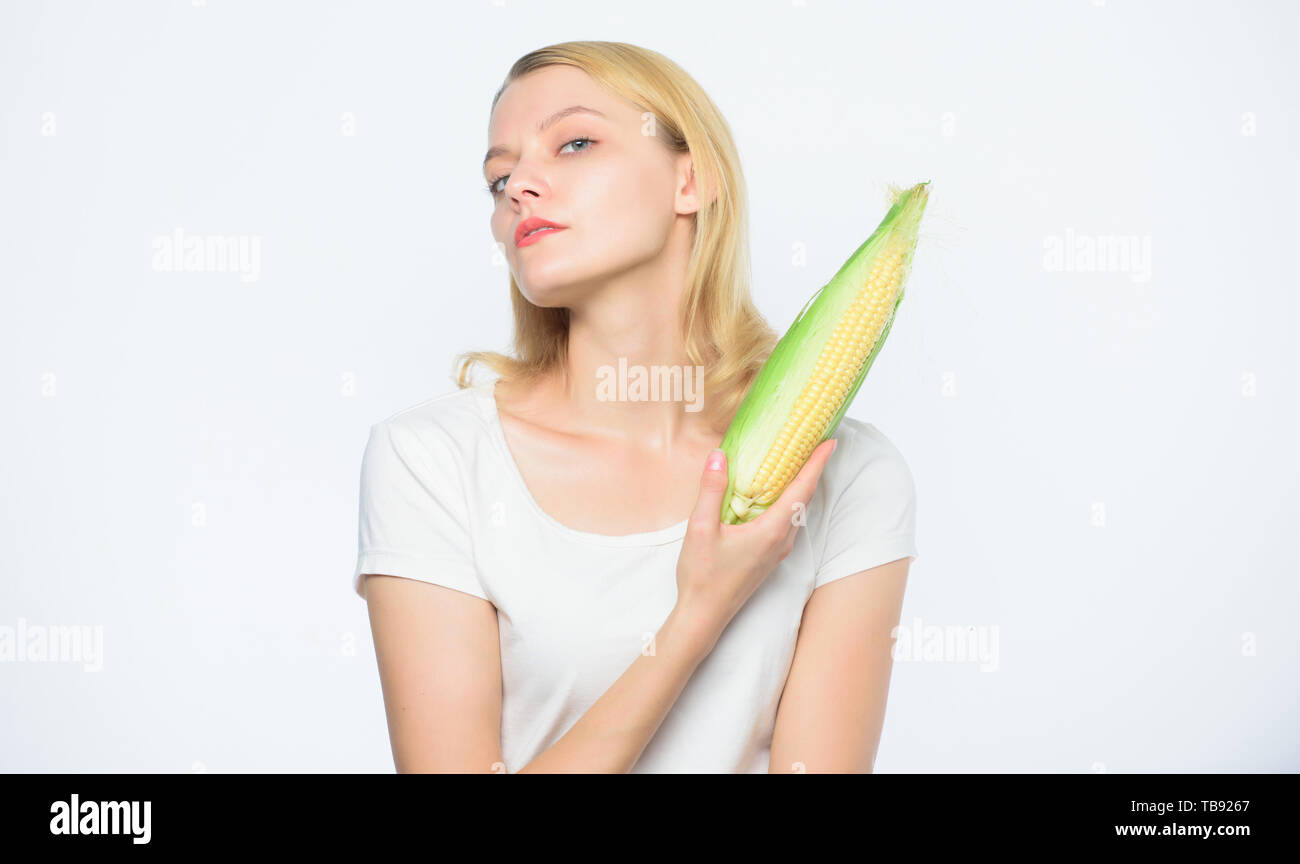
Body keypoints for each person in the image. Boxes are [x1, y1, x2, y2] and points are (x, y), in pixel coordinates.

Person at [353, 41, 917, 773]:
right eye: (499, 177)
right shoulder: (432, 463)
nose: (519, 185)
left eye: (575, 143)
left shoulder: (847, 476)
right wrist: (698, 613)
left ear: (693, 178)